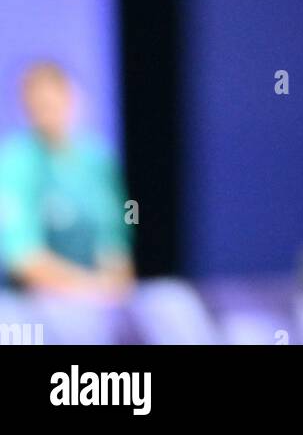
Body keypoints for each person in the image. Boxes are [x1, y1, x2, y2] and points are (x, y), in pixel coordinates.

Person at [0, 60, 221, 344]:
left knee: (171, 299)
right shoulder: (15, 162)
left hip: (103, 296)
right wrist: (91, 290)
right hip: (42, 300)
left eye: (56, 97)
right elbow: (26, 261)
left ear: (73, 98)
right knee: (71, 320)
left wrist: (113, 285)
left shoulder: (98, 159)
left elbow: (115, 241)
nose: (49, 108)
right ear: (27, 106)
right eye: (39, 102)